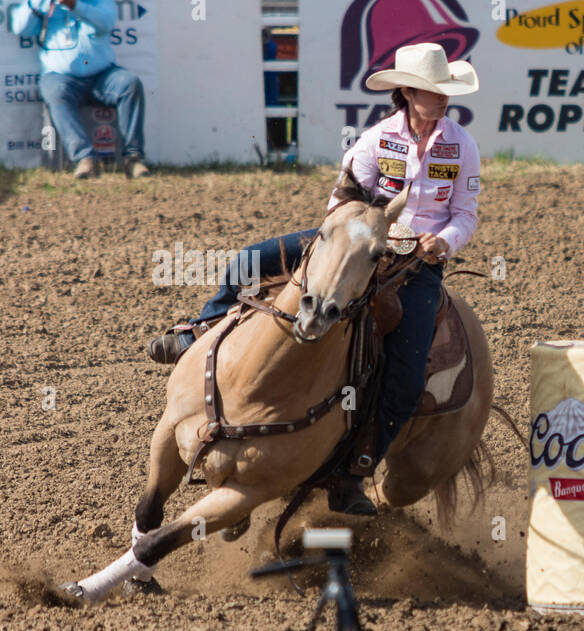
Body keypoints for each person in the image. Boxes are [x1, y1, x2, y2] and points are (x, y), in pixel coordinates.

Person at [147, 43, 481, 516]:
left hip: (415, 267)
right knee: (250, 259)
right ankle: (199, 328)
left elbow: (465, 215)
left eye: (445, 91)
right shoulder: (375, 141)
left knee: (406, 377)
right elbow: (338, 202)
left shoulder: (461, 145)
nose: (442, 99)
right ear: (407, 92)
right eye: (432, 91)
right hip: (356, 242)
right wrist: (358, 232)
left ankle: (353, 472)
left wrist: (443, 242)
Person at [8, 0, 149, 178]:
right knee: (55, 92)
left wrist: (75, 6)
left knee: (129, 84)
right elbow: (20, 28)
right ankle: (85, 158)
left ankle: (133, 157)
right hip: (60, 76)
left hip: (103, 74)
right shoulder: (43, 0)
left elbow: (106, 23)